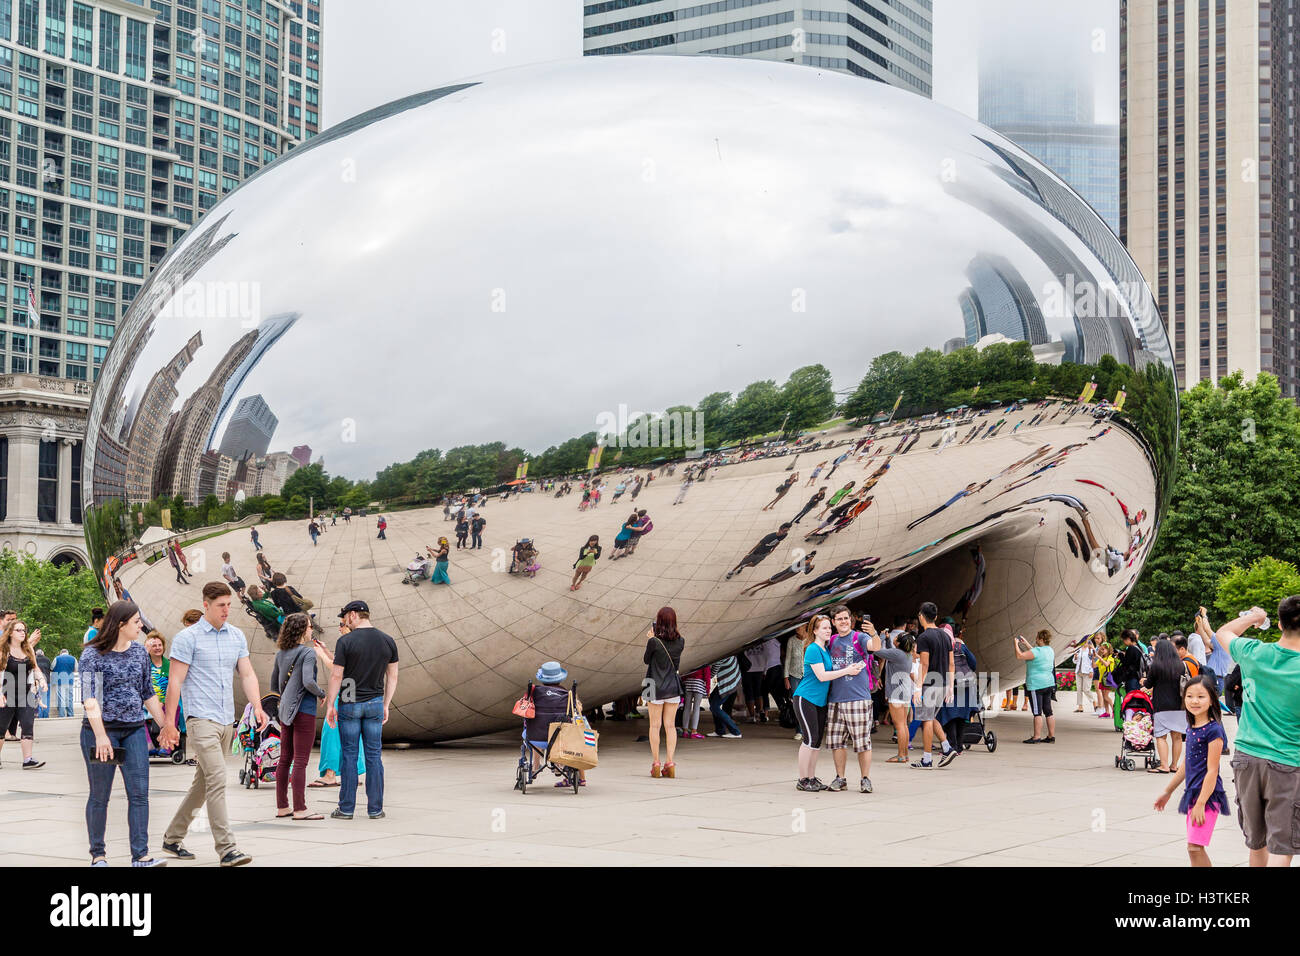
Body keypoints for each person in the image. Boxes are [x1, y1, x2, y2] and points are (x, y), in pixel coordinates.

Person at [159, 581, 267, 866]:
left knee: (203, 784)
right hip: (200, 720)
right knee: (218, 778)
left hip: (225, 721)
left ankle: (172, 837)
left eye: (229, 605)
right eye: (221, 606)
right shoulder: (188, 638)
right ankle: (227, 848)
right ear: (206, 605)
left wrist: (257, 706)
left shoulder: (236, 636)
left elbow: (247, 674)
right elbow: (175, 682)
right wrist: (169, 723)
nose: (226, 610)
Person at [78, 601, 167, 867]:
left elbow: (147, 693)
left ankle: (141, 855)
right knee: (100, 795)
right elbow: (89, 698)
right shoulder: (92, 655)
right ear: (120, 624)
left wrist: (166, 726)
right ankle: (98, 855)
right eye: (137, 622)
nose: (141, 626)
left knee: (139, 794)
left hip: (134, 730)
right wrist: (102, 736)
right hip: (100, 732)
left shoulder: (140, 653)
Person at [1213, 603, 1300, 866]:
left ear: (1280, 624)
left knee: (1256, 840)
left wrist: (1254, 618)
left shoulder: (1254, 652)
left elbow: (1223, 633)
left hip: (1247, 757)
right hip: (1287, 761)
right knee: (1282, 845)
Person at [325, 600, 399, 819]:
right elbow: (392, 676)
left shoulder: (345, 641)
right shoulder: (388, 640)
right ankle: (375, 808)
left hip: (350, 700)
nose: (344, 620)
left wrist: (331, 704)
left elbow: (337, 675)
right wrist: (386, 703)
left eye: (345, 615)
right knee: (374, 755)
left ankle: (346, 808)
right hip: (375, 701)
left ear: (354, 615)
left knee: (349, 754)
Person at [1154, 676, 1229, 867]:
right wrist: (1167, 791)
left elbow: (1212, 771)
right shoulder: (1192, 727)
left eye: (1201, 696)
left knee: (1195, 847)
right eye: (1189, 696)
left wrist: (1201, 803)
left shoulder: (1214, 730)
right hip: (1193, 793)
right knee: (1194, 847)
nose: (1194, 701)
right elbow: (1186, 766)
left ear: (1212, 699)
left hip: (1207, 796)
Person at [791, 613, 866, 791]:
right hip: (805, 698)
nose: (828, 631)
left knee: (816, 740)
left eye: (828, 628)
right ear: (815, 631)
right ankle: (802, 779)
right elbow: (822, 676)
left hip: (820, 701)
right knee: (809, 739)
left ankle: (811, 777)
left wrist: (853, 667)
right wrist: (847, 670)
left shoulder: (825, 649)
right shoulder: (813, 649)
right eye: (824, 628)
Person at [272, 613, 325, 821]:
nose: (311, 629)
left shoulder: (281, 653)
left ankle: (282, 806)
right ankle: (301, 808)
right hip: (304, 710)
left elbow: (275, 684)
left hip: (285, 710)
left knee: (285, 759)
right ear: (303, 629)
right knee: (301, 760)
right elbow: (308, 682)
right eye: (310, 626)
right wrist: (322, 694)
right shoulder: (308, 653)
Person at [824, 605, 882, 793]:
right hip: (836, 699)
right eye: (839, 619)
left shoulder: (860, 637)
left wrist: (874, 633)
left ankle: (865, 779)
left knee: (862, 742)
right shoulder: (831, 641)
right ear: (833, 622)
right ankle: (840, 778)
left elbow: (876, 647)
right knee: (837, 742)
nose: (843, 622)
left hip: (858, 698)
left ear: (852, 620)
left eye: (846, 618)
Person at [311, 618, 364, 788]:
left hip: (345, 692)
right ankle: (353, 773)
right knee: (352, 732)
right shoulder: (359, 643)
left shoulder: (345, 642)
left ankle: (330, 773)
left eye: (342, 624)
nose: (339, 628)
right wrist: (326, 651)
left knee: (331, 730)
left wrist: (320, 654)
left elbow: (337, 670)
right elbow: (343, 665)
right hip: (355, 692)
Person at [524, 661, 586, 786]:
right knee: (561, 729)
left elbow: (524, 711)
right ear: (559, 678)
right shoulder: (566, 695)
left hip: (535, 738)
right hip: (560, 738)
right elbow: (577, 710)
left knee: (535, 726)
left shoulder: (534, 693)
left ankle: (535, 767)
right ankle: (559, 765)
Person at [914, 602, 959, 768]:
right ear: (935, 616)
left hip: (929, 684)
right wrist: (950, 686)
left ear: (921, 617)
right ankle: (947, 748)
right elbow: (952, 664)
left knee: (926, 720)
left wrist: (918, 688)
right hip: (942, 684)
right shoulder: (946, 636)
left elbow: (924, 665)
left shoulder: (924, 637)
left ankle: (927, 759)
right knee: (931, 717)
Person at [643, 607, 685, 779]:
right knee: (670, 725)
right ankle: (670, 762)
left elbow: (646, 660)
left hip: (652, 683)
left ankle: (656, 763)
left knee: (654, 725)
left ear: (658, 622)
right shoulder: (681, 641)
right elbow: (675, 664)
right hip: (672, 686)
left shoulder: (654, 641)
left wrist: (651, 639)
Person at [0, 619, 47, 768]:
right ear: (10, 633)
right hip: (7, 693)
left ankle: (28, 760)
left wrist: (42, 680)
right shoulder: (3, 650)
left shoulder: (28, 649)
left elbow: (35, 668)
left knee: (28, 725)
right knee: (1, 728)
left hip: (26, 694)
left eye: (24, 630)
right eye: (19, 630)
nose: (23, 633)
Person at [1143, 638, 1187, 773]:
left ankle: (1164, 765)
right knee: (1177, 737)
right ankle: (1174, 765)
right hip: (1179, 705)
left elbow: (1148, 684)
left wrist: (1144, 681)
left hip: (1161, 705)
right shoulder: (1180, 665)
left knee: (1161, 737)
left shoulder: (1156, 666)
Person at [876, 631, 915, 763]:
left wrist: (880, 637)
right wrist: (887, 640)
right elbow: (890, 651)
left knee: (899, 726)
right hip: (905, 692)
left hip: (896, 694)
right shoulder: (906, 654)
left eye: (896, 638)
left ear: (898, 642)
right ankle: (905, 754)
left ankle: (900, 755)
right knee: (903, 725)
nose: (894, 638)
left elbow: (877, 651)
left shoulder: (897, 654)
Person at [1014, 629, 1057, 744]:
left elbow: (1020, 655)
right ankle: (1051, 736)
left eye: (1037, 637)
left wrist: (1016, 643)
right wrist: (1026, 643)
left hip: (1036, 684)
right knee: (1048, 711)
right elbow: (1036, 652)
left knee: (1037, 712)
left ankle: (1036, 736)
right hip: (1049, 683)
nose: (1036, 639)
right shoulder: (1050, 650)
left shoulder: (1037, 651)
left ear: (1041, 639)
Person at [725, 523, 792, 580]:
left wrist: (773, 549)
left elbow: (778, 541)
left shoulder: (785, 535)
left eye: (787, 531)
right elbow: (758, 544)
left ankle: (744, 566)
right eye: (784, 531)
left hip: (764, 554)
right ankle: (732, 571)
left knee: (753, 565)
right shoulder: (769, 536)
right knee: (742, 562)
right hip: (757, 552)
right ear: (780, 529)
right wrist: (749, 553)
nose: (785, 532)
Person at [706, 654, 743, 739]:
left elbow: (712, 673)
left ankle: (736, 732)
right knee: (712, 700)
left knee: (714, 707)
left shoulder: (720, 657)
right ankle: (720, 730)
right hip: (732, 679)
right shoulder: (728, 651)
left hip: (728, 683)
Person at [680, 663, 710, 740]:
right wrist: (708, 689)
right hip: (699, 683)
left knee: (686, 707)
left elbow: (683, 673)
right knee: (696, 708)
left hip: (688, 682)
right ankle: (694, 732)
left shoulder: (693, 659)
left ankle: (685, 731)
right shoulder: (704, 660)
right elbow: (707, 676)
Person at [1095, 641, 1117, 718]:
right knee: (1104, 697)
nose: (1102, 651)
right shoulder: (1102, 658)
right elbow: (1094, 665)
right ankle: (1107, 712)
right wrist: (1092, 657)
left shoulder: (1110, 657)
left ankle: (1114, 711)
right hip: (1102, 680)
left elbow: (1107, 664)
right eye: (1101, 649)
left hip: (1108, 679)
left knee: (1106, 696)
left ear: (1108, 650)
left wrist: (1099, 657)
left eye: (1103, 649)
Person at [52, 647, 76, 717]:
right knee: (70, 698)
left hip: (60, 681)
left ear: (61, 653)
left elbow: (52, 667)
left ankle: (62, 715)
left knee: (61, 698)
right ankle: (70, 714)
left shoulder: (57, 658)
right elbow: (76, 668)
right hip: (70, 681)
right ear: (67, 652)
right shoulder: (73, 658)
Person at [1073, 637, 1094, 712]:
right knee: (1079, 690)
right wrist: (1075, 657)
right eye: (1084, 642)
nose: (1085, 643)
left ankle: (1094, 702)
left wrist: (1091, 671)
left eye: (1087, 642)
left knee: (1086, 689)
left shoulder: (1091, 651)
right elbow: (1075, 662)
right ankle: (1080, 706)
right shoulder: (1079, 650)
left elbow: (1092, 661)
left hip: (1087, 672)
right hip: (1078, 672)